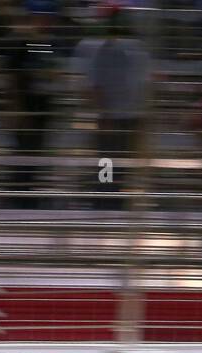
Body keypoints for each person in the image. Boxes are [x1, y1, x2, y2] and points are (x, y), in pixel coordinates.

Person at [82, 6, 150, 205]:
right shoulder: (103, 50)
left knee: (121, 162)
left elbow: (142, 84)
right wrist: (104, 113)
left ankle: (114, 199)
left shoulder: (136, 48)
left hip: (130, 115)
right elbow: (95, 86)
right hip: (112, 115)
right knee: (108, 161)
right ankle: (104, 199)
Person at [0, 11, 60, 205]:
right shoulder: (18, 42)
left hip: (40, 107)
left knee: (34, 152)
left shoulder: (42, 44)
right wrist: (16, 108)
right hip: (25, 107)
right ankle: (18, 197)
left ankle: (26, 193)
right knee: (23, 152)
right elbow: (12, 79)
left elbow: (47, 72)